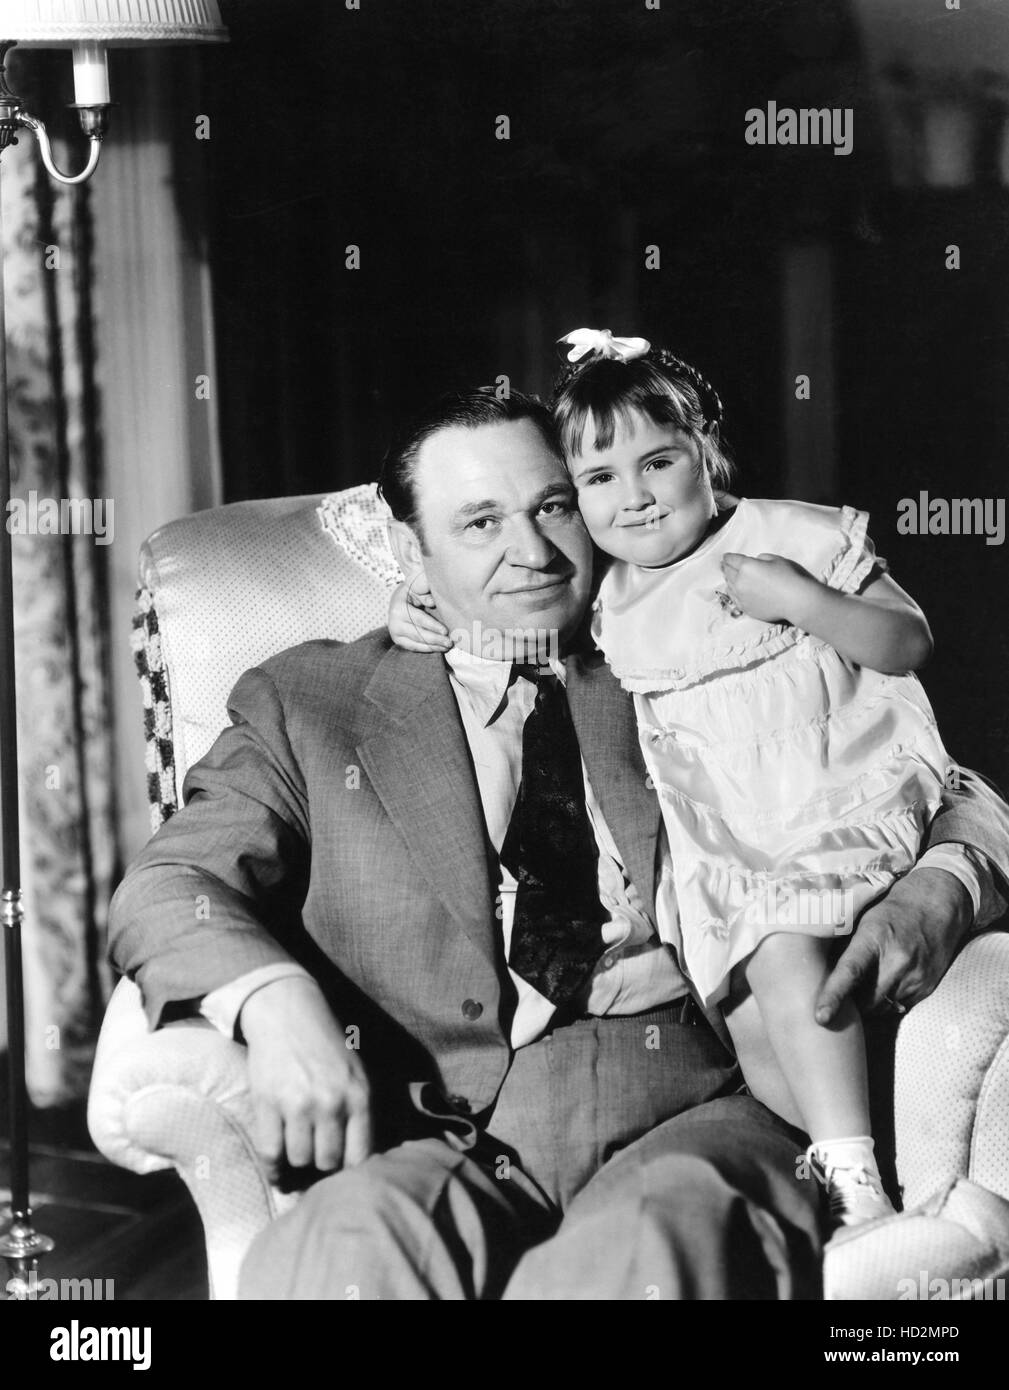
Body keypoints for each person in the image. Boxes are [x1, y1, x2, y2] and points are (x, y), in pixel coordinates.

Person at [109, 386, 1009, 1299]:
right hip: (442, 1132)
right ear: (407, 550)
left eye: (551, 507)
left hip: (699, 1105)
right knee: (337, 1251)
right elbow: (172, 881)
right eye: (479, 523)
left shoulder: (691, 645)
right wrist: (274, 1001)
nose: (532, 553)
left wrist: (946, 877)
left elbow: (925, 772)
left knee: (638, 1260)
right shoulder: (312, 703)